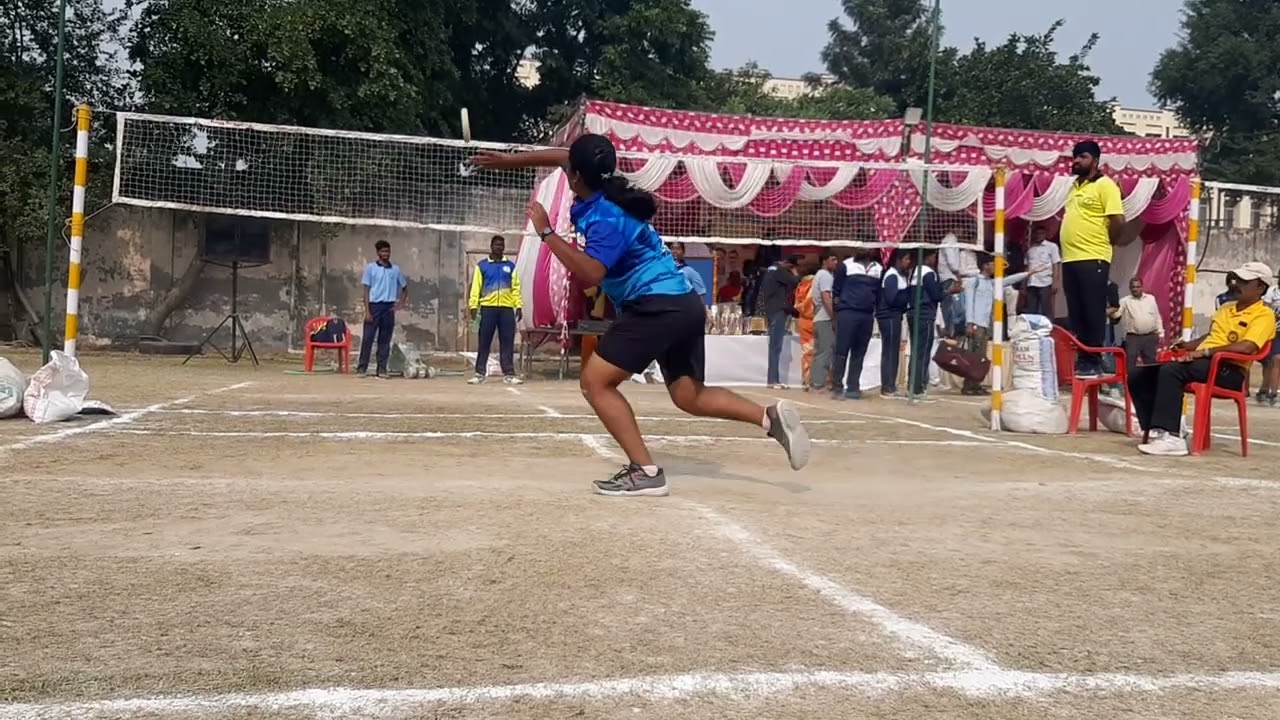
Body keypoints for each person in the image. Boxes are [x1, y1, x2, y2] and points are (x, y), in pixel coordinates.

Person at [471, 134, 810, 496]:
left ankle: (645, 471)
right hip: (682, 303)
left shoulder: (606, 217)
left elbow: (593, 272)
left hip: (656, 304)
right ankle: (768, 418)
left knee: (595, 382)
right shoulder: (595, 187)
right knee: (688, 395)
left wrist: (547, 232)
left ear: (577, 177)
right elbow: (560, 156)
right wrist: (508, 161)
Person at [1128, 262, 1277, 456]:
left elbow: (1247, 347)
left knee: (1172, 371)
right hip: (1206, 364)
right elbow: (1210, 337)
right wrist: (1187, 345)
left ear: (1260, 288)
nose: (1236, 284)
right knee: (1140, 373)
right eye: (1237, 279)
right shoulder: (1226, 308)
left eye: (1244, 281)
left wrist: (1204, 353)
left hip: (1230, 370)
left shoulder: (1264, 315)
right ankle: (1159, 428)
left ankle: (1173, 438)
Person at [1059, 140, 1127, 378]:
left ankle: (1093, 359)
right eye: (1075, 157)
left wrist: (1110, 241)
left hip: (1094, 255)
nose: (1077, 161)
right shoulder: (1075, 186)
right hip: (1070, 258)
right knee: (1076, 310)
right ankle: (1083, 357)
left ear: (1096, 161)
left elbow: (1118, 220)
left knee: (1092, 309)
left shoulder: (1105, 185)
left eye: (1083, 157)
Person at [961, 254, 1037, 395]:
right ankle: (969, 385)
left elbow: (1008, 280)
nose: (995, 268)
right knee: (974, 356)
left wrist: (1028, 273)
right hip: (976, 323)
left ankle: (974, 384)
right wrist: (969, 323)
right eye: (992, 264)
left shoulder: (990, 283)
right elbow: (969, 303)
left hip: (985, 324)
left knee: (980, 356)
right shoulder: (974, 281)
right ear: (985, 266)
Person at [905, 248, 964, 398]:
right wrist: (950, 291)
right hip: (924, 314)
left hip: (913, 313)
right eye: (934, 257)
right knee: (922, 351)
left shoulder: (914, 271)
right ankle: (917, 387)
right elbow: (936, 295)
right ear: (930, 257)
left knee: (915, 351)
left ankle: (912, 385)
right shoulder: (929, 273)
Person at [468, 235, 523, 385]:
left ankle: (509, 373)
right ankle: (479, 373)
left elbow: (516, 288)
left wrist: (518, 305)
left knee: (507, 342)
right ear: (491, 246)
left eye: (502, 245)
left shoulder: (511, 267)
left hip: (506, 309)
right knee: (484, 341)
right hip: (487, 308)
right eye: (497, 245)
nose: (499, 247)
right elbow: (475, 287)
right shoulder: (482, 266)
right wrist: (473, 306)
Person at [830, 248, 881, 399]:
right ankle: (837, 387)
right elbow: (836, 290)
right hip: (848, 313)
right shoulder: (846, 265)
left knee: (859, 352)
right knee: (841, 351)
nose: (864, 249)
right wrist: (837, 311)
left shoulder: (878, 269)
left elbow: (878, 294)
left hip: (867, 315)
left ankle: (853, 386)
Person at [356, 240, 408, 378]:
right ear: (378, 253)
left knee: (384, 340)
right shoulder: (371, 268)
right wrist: (367, 311)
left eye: (388, 251)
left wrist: (400, 304)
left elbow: (404, 288)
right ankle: (362, 367)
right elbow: (366, 290)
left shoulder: (395, 269)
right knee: (368, 338)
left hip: (388, 307)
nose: (386, 254)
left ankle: (382, 369)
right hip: (374, 306)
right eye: (383, 251)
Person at [875, 250, 915, 397]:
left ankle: (891, 384)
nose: (908, 262)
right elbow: (892, 299)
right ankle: (887, 386)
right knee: (889, 351)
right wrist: (907, 296)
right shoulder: (892, 276)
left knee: (893, 350)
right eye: (906, 259)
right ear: (898, 260)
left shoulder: (901, 276)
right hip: (889, 316)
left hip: (896, 315)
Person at [759, 256, 802, 389]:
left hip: (770, 309)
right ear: (788, 264)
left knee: (774, 346)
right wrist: (795, 271)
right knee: (776, 346)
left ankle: (773, 379)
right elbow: (796, 282)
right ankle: (772, 380)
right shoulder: (779, 271)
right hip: (778, 310)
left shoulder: (770, 270)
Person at [1109, 277, 1162, 378]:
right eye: (1133, 287)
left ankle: (1151, 386)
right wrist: (1110, 310)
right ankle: (1131, 387)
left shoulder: (1151, 298)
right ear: (1130, 288)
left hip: (1150, 336)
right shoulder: (1125, 301)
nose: (1135, 289)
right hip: (1133, 337)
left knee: (1150, 362)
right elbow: (1116, 314)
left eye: (1138, 287)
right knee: (1130, 362)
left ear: (1142, 287)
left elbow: (1157, 315)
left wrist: (1161, 332)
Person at [809, 253, 838, 392]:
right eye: (833, 259)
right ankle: (818, 383)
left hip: (819, 317)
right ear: (824, 260)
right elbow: (826, 298)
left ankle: (816, 381)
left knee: (820, 351)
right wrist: (834, 316)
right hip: (824, 317)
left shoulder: (819, 275)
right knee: (825, 351)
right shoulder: (825, 276)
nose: (836, 262)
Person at [1022, 226, 1060, 317]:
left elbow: (1055, 265)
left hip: (1045, 282)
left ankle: (1049, 328)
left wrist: (1055, 282)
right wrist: (1023, 284)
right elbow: (1027, 267)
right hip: (1032, 282)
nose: (1039, 235)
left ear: (1045, 234)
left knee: (1046, 308)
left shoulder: (1052, 247)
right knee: (1031, 309)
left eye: (1041, 233)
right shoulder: (1030, 249)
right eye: (1037, 233)